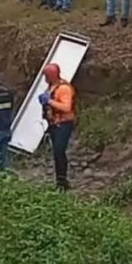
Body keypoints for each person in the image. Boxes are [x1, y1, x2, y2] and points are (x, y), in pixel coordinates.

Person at [38, 63, 76, 191]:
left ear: (52, 75)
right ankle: (60, 179)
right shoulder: (51, 87)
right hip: (54, 124)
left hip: (63, 124)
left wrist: (49, 101)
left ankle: (62, 181)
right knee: (56, 153)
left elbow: (66, 107)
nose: (44, 78)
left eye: (46, 75)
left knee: (59, 152)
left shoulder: (64, 89)